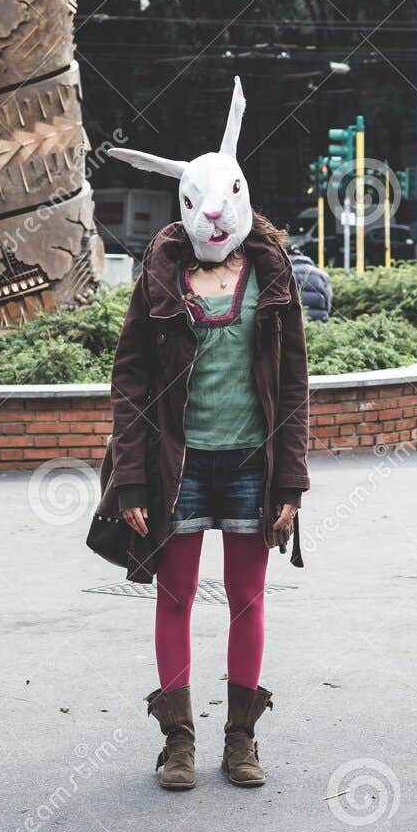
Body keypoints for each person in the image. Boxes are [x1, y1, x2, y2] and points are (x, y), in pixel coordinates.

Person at [105, 77, 310, 791]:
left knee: (249, 600)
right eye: (198, 203)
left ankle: (242, 741)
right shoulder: (160, 277)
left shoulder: (273, 275)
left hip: (254, 465)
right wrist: (130, 477)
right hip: (178, 466)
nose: (215, 217)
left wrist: (291, 481)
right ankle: (179, 743)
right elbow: (129, 382)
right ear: (183, 205)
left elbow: (292, 387)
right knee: (174, 598)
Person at [288, 248, 332, 321]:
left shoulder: (288, 273)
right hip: (319, 318)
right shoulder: (323, 274)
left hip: (296, 319)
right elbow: (328, 297)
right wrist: (325, 313)